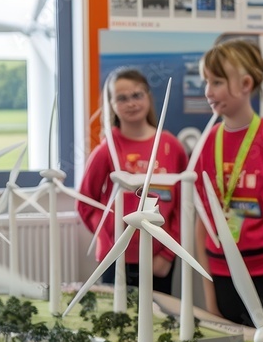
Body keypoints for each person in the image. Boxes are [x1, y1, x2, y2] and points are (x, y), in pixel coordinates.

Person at [194, 39, 263, 326]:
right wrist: (209, 291)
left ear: (245, 84)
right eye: (206, 81)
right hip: (221, 272)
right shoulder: (207, 143)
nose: (209, 91)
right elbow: (203, 220)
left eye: (217, 81)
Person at [77, 67, 187, 295]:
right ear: (112, 105)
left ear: (148, 97)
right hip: (115, 255)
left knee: (158, 322)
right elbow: (86, 202)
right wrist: (110, 235)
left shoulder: (172, 146)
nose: (131, 103)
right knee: (116, 321)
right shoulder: (106, 150)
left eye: (137, 95)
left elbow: (183, 207)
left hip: (158, 259)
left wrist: (167, 254)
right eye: (122, 98)